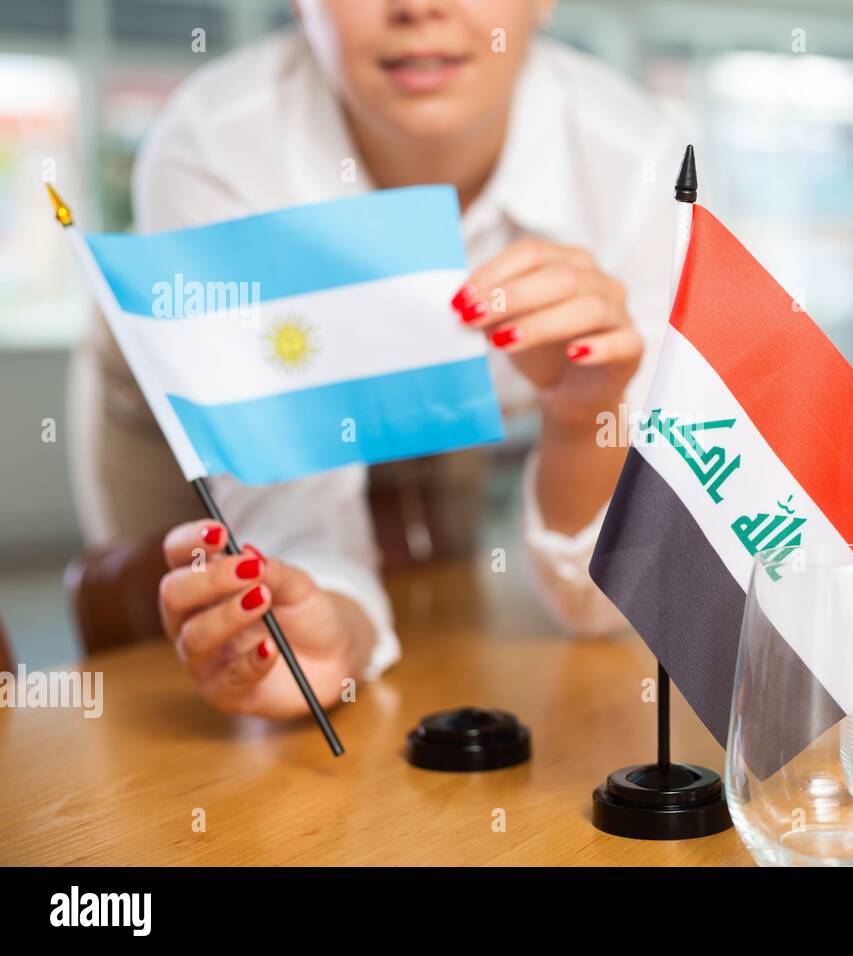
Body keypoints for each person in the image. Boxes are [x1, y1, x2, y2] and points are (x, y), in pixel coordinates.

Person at [68, 0, 683, 718]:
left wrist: (587, 421)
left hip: (448, 404)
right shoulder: (214, 144)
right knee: (182, 631)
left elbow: (600, 599)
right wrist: (329, 639)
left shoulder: (638, 161)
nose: (420, 7)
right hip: (180, 401)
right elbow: (288, 507)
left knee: (438, 604)